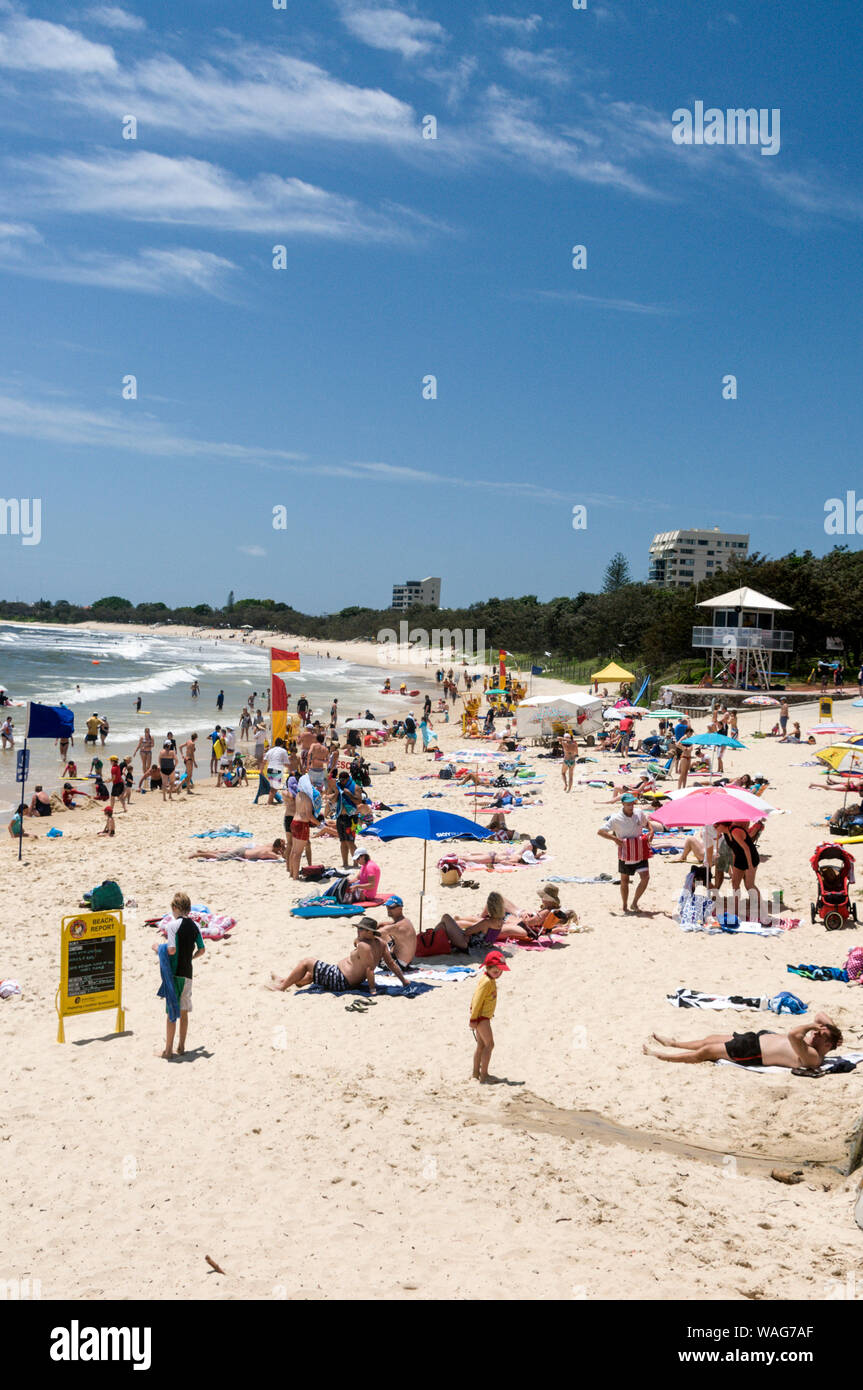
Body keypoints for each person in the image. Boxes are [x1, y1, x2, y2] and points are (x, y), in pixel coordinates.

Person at [643, 1013, 843, 1068]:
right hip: (756, 1039)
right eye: (817, 1031)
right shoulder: (819, 1043)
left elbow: (793, 1035)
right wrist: (834, 1032)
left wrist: (810, 1027)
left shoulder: (813, 1057)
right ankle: (674, 1044)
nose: (815, 1032)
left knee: (707, 1051)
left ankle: (663, 1056)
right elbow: (820, 1015)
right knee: (710, 1039)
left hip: (753, 1053)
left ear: (826, 1045)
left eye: (820, 1034)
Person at [268, 918, 409, 995]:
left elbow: (369, 969)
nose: (357, 930)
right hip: (342, 977)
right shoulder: (381, 943)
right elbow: (391, 964)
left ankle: (281, 988)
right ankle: (285, 980)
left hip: (340, 979)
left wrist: (372, 989)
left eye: (360, 929)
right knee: (310, 976)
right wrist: (403, 980)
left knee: (307, 962)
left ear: (369, 932)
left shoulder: (364, 946)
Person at [152, 891, 205, 1059]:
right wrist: (191, 957)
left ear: (174, 908)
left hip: (175, 974)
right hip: (188, 973)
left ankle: (168, 1051)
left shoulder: (172, 926)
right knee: (184, 1012)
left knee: (171, 1012)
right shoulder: (195, 926)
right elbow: (202, 950)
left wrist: (157, 948)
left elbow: (171, 950)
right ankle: (181, 1047)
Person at [597, 793, 663, 914]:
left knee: (645, 878)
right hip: (625, 851)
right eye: (628, 804)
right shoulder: (616, 818)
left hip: (640, 848)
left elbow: (646, 823)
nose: (631, 806)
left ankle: (635, 902)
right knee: (624, 880)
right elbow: (600, 831)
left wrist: (651, 830)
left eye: (632, 803)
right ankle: (624, 905)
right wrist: (615, 839)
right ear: (622, 804)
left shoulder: (638, 813)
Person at [470, 949, 509, 1083]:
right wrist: (473, 1019)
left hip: (483, 1017)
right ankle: (484, 1074)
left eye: (500, 971)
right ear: (488, 968)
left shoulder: (491, 980)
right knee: (490, 1045)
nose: (498, 974)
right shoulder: (486, 981)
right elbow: (476, 1000)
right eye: (495, 971)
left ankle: (476, 1073)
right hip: (481, 1018)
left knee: (481, 1045)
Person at [189, 840, 286, 861]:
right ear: (278, 848)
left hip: (246, 849)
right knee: (221, 857)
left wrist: (281, 849)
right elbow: (280, 859)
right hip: (243, 853)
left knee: (224, 852)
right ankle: (198, 855)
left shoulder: (269, 845)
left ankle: (203, 851)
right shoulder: (268, 852)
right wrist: (283, 853)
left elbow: (277, 850)